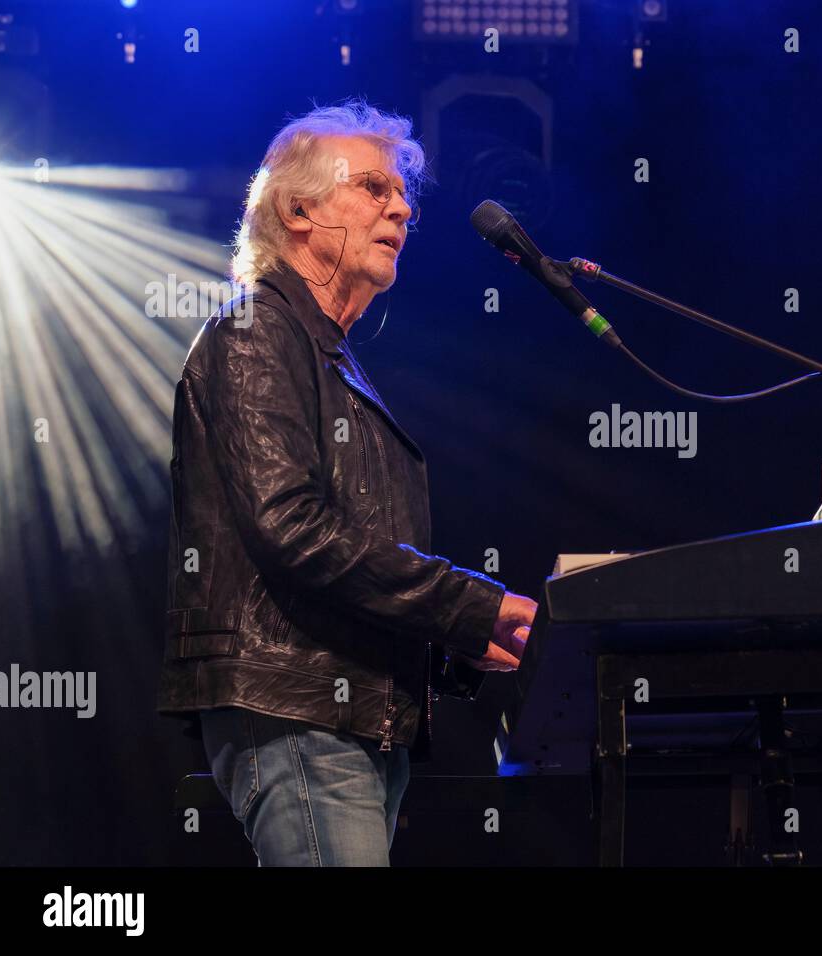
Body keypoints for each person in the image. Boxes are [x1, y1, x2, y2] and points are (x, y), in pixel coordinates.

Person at [156, 101, 537, 866]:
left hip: (345, 712)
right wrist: (469, 605)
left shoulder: (326, 353)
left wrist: (455, 645)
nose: (400, 207)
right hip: (295, 712)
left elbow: (341, 568)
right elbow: (291, 526)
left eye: (403, 196)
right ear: (298, 210)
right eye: (373, 187)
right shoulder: (257, 329)